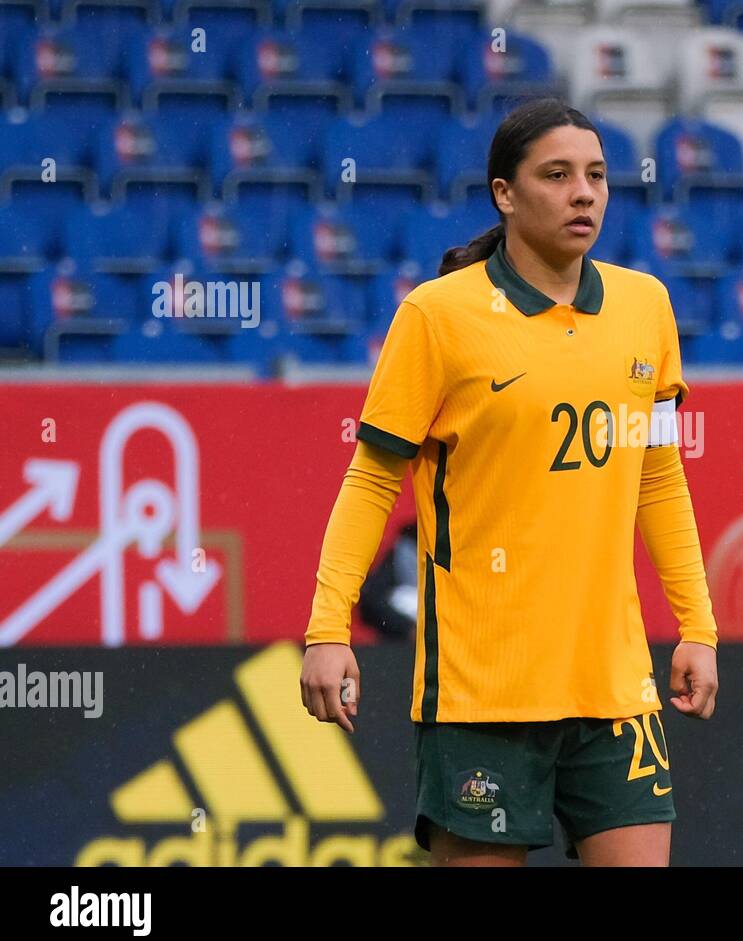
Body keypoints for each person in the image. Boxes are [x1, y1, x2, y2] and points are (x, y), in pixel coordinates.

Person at [299, 97, 719, 867]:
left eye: (595, 175)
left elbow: (659, 476)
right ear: (505, 193)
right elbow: (371, 481)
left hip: (615, 690)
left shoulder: (644, 308)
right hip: (480, 693)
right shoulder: (437, 317)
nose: (583, 193)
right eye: (556, 175)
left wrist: (698, 626)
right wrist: (328, 631)